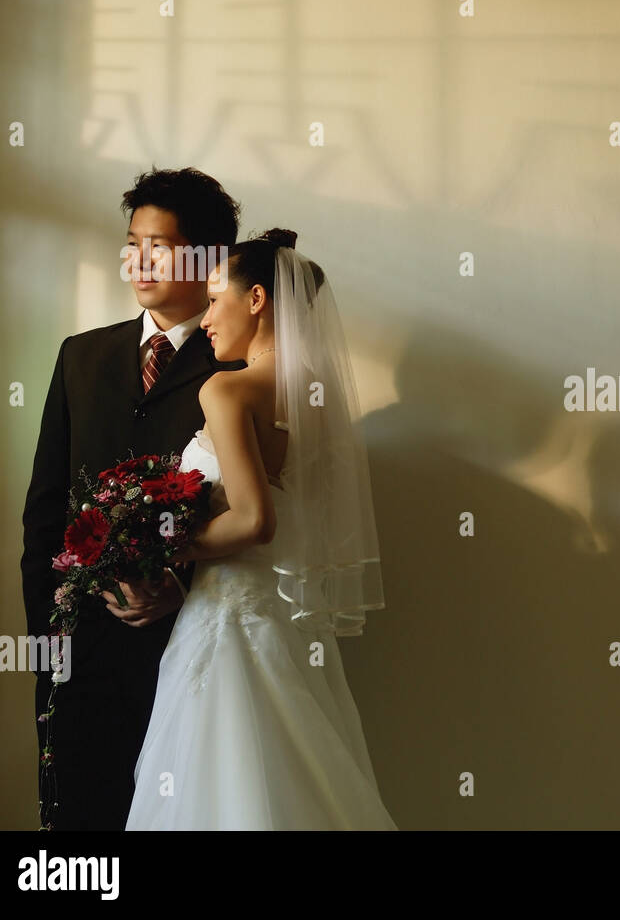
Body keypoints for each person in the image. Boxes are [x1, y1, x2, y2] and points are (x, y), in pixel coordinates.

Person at [123, 229, 397, 829]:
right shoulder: (316, 396)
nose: (206, 318)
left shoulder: (226, 389)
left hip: (228, 621)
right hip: (286, 622)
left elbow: (255, 520)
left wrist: (159, 546)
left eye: (214, 300)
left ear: (256, 300)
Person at [21, 166, 242, 830]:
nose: (139, 261)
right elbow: (46, 510)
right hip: (78, 652)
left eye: (161, 246)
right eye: (132, 243)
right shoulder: (81, 357)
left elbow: (264, 519)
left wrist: (182, 589)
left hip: (190, 655)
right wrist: (46, 643)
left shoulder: (239, 369)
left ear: (208, 260)